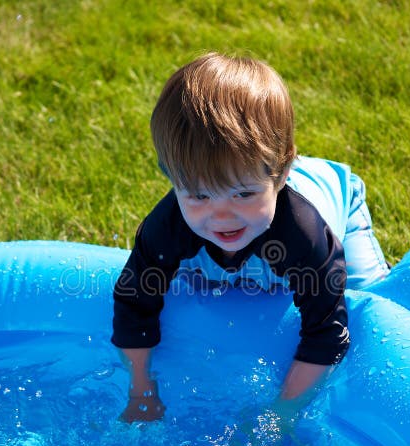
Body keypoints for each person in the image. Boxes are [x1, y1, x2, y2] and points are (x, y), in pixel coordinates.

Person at [112, 52, 388, 424]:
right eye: (198, 195)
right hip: (257, 204)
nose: (222, 216)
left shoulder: (304, 235)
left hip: (339, 201)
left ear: (282, 172)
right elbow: (134, 304)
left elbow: (327, 334)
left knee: (373, 303)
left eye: (242, 195)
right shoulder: (169, 226)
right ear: (171, 178)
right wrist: (141, 389)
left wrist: (282, 415)